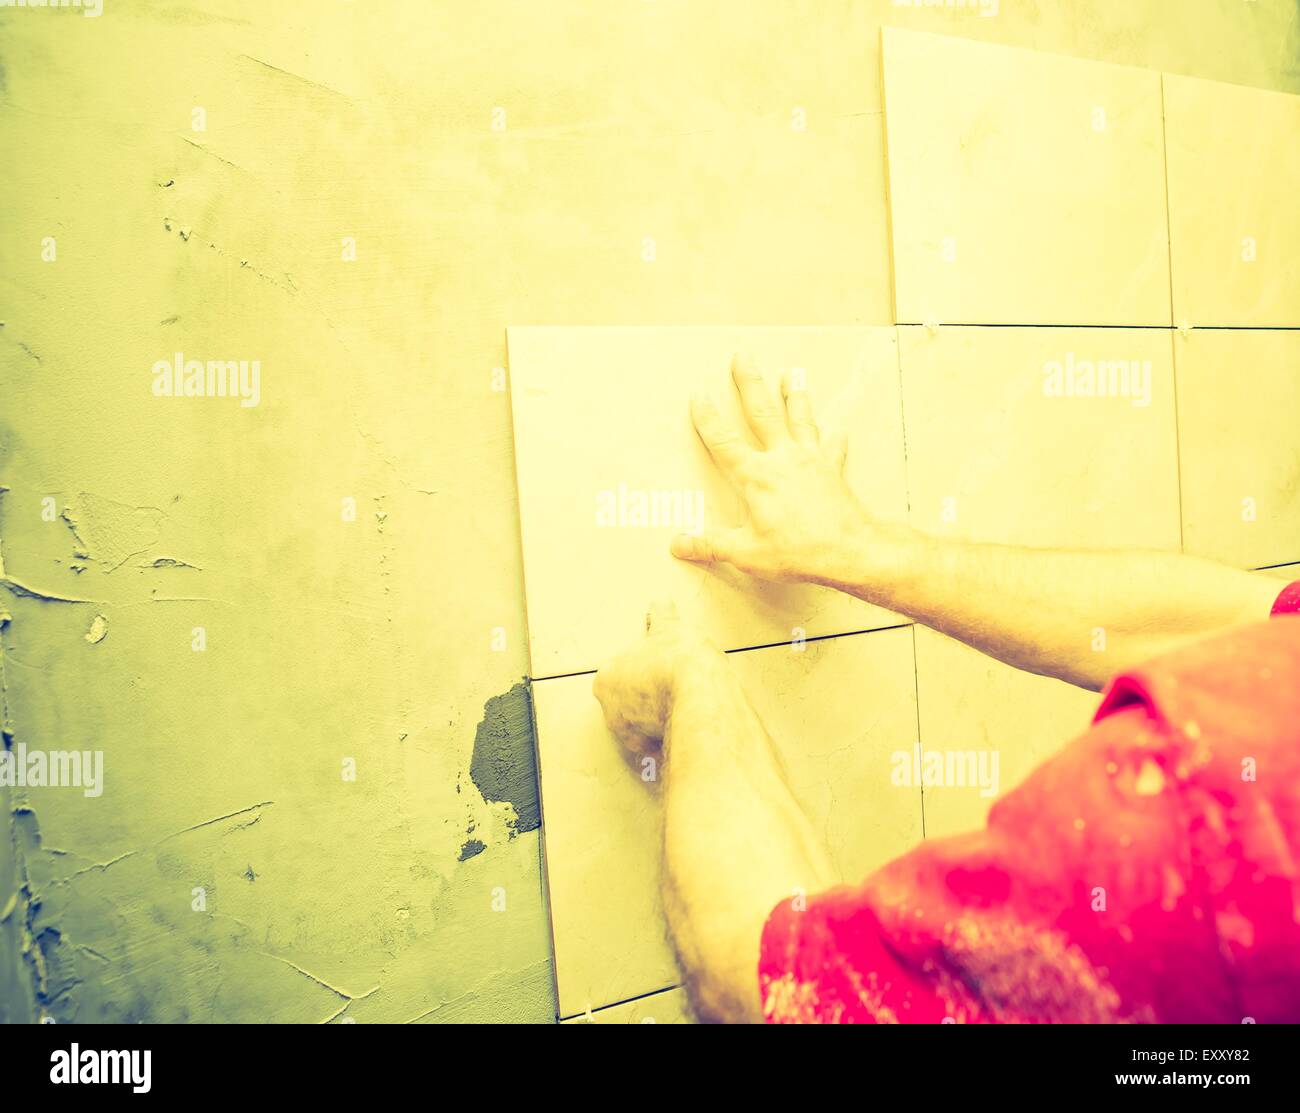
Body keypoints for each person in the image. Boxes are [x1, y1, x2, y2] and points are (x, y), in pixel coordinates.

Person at [592, 354, 1300, 1024]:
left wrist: (694, 693)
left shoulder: (1178, 846)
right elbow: (1231, 625)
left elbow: (757, 979)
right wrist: (862, 549)